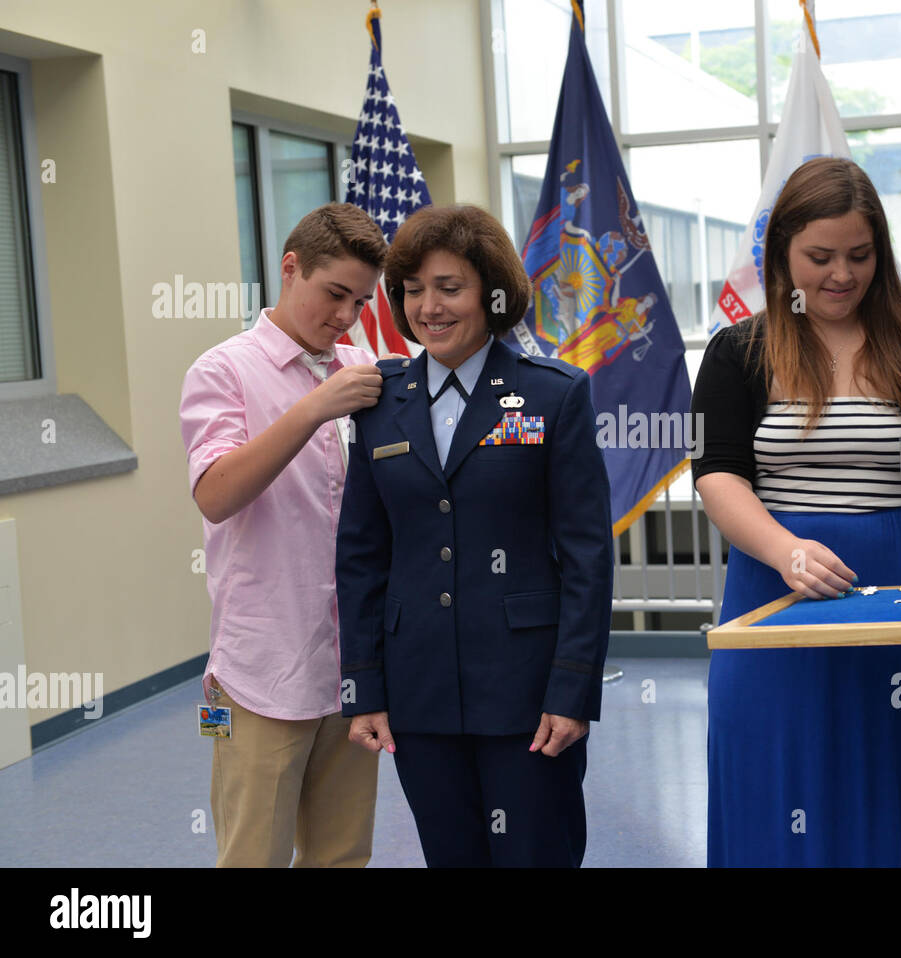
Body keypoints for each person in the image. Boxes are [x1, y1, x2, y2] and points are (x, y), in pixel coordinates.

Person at [692, 156, 901, 866]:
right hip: (775, 590)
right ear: (781, 255)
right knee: (781, 770)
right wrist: (782, 549)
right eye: (819, 257)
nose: (841, 275)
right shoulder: (738, 352)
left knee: (897, 775)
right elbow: (718, 474)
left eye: (859, 255)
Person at [336, 204, 613, 868]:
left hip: (527, 695)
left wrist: (573, 691)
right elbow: (361, 556)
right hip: (419, 693)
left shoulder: (553, 395)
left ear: (492, 293)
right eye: (412, 290)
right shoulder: (378, 401)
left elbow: (587, 555)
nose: (428, 306)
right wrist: (363, 688)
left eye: (449, 287)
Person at [179, 202, 387, 867]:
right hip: (259, 673)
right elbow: (216, 495)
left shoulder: (363, 367)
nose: (346, 317)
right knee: (253, 857)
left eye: (360, 301)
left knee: (341, 856)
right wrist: (313, 407)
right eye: (335, 294)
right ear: (290, 268)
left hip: (350, 670)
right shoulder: (222, 371)